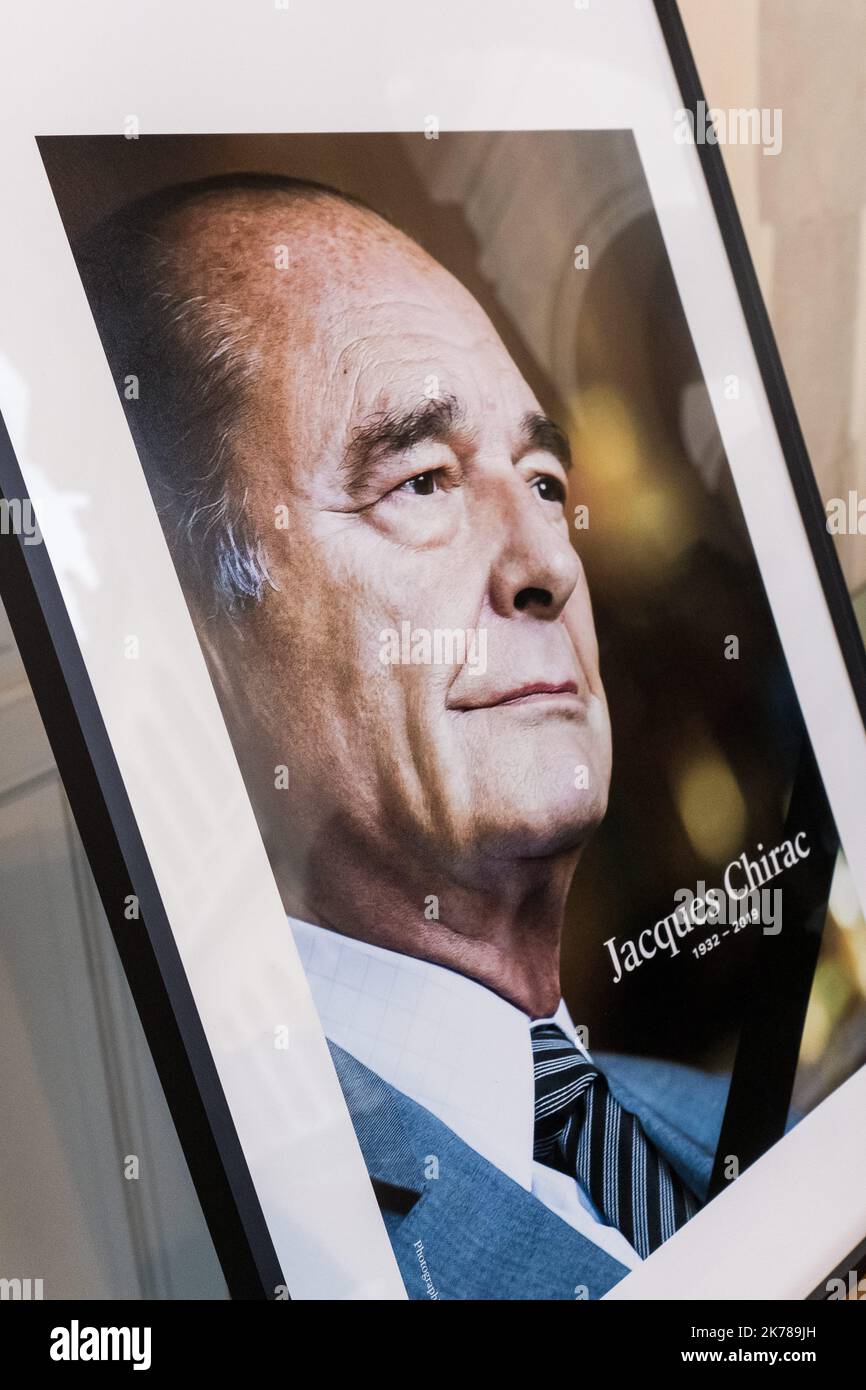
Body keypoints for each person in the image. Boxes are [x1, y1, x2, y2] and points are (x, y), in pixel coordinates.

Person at [75, 173, 728, 1300]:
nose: (551, 565)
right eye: (421, 481)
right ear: (181, 638)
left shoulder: (734, 1121)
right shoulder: (240, 1245)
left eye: (541, 478)